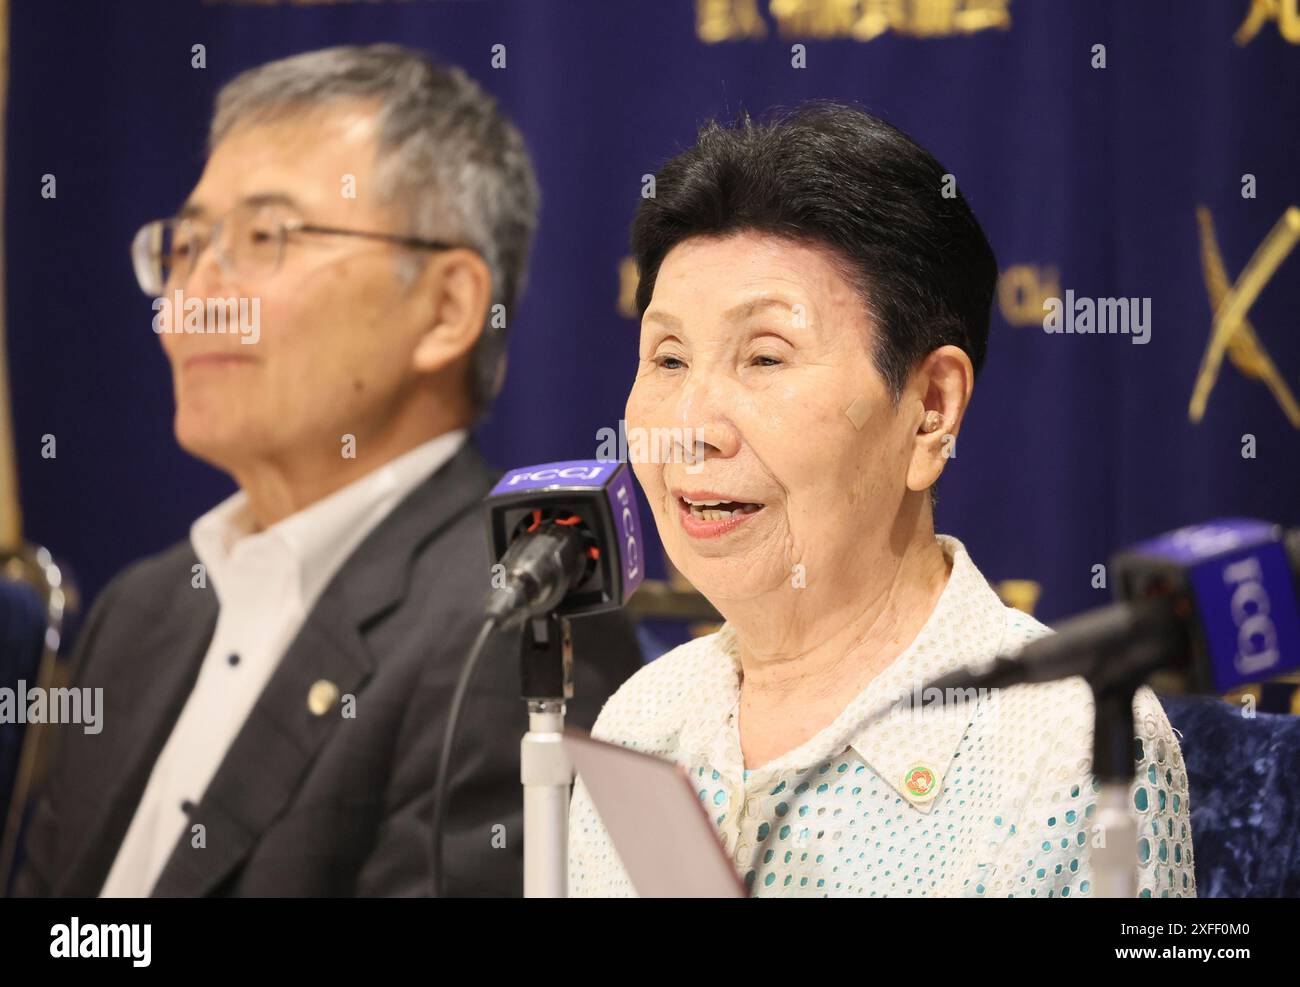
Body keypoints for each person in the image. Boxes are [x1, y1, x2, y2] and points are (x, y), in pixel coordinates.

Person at [15, 44, 641, 898]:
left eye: (264, 237)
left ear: (447, 306)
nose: (192, 299)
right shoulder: (139, 611)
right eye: (186, 246)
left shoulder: (515, 626)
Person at [568, 103, 1194, 898]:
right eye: (667, 357)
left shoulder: (1077, 750)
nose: (688, 429)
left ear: (931, 410)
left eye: (764, 357)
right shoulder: (642, 720)